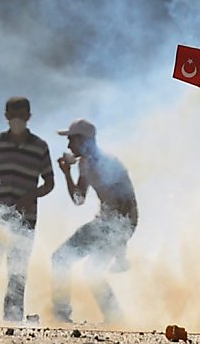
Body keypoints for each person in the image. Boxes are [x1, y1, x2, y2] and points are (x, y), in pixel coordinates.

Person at [52, 119, 138, 324]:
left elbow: (126, 204)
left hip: (117, 224)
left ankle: (110, 318)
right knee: (68, 261)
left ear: (84, 140)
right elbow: (78, 199)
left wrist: (120, 244)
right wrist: (66, 174)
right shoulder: (85, 164)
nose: (68, 146)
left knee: (72, 263)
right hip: (106, 223)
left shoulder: (109, 164)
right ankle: (110, 317)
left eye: (71, 139)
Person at [0, 96, 54, 322]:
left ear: (29, 117)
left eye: (21, 115)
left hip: (25, 220)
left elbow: (49, 183)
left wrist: (30, 196)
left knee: (17, 271)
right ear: (6, 116)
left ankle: (12, 320)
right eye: (13, 115)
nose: (17, 119)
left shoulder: (40, 147)